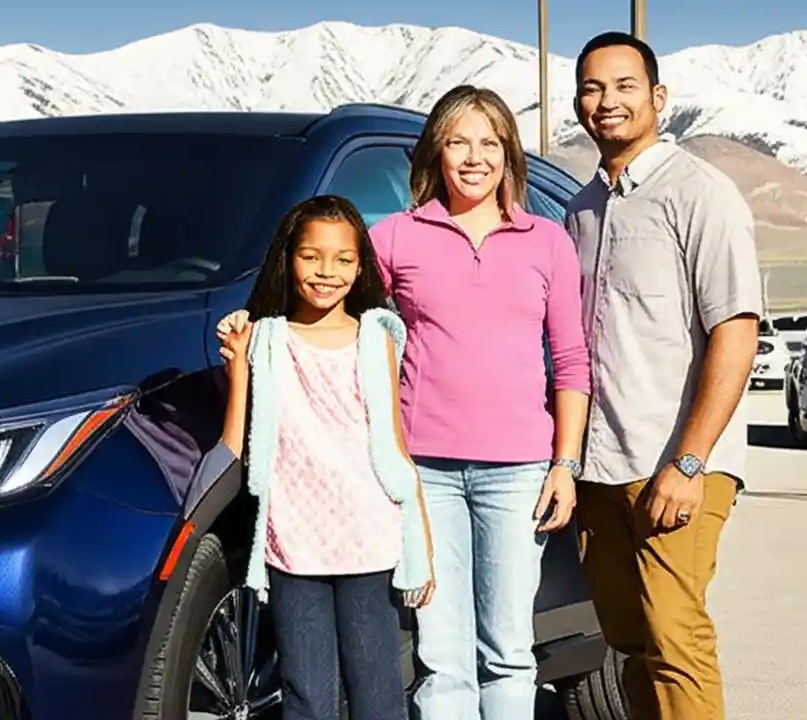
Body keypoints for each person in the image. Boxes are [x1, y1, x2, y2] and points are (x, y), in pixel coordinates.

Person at [219, 85, 591, 720]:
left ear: (508, 154)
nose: (474, 158)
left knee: (507, 652)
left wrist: (565, 463)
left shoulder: (546, 241)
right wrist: (251, 330)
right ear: (436, 154)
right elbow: (331, 301)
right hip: (423, 475)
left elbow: (572, 360)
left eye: (489, 143)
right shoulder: (394, 237)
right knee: (441, 657)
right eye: (457, 142)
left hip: (519, 471)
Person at [565, 31, 763, 720]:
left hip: (676, 462)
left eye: (623, 86)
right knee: (629, 642)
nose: (606, 101)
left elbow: (736, 331)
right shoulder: (582, 208)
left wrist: (690, 460)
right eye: (592, 88)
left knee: (676, 638)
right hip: (599, 467)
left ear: (658, 99)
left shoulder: (701, 194)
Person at [217, 194, 436, 720]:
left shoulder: (373, 338)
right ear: (287, 258)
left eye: (343, 259)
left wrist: (419, 538)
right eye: (311, 256)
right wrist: (238, 368)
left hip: (368, 538)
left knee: (377, 693)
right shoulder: (266, 339)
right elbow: (235, 445)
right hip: (294, 543)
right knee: (307, 695)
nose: (326, 272)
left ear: (361, 267)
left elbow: (394, 447)